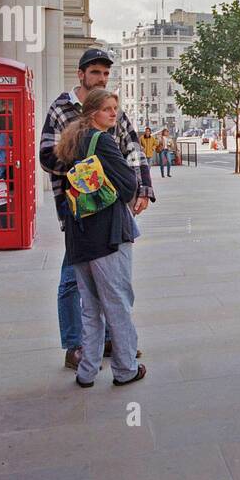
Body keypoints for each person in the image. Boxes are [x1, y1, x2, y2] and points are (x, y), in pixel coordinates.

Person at [40, 47, 153, 371]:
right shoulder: (62, 109)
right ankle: (76, 345)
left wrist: (143, 190)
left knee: (107, 283)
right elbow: (46, 155)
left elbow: (133, 149)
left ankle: (105, 344)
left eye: (105, 74)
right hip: (76, 210)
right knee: (74, 281)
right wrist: (84, 168)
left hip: (108, 212)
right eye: (95, 73)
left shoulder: (111, 109)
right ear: (81, 74)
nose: (101, 78)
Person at [54, 87, 145, 389]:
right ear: (93, 112)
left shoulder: (71, 142)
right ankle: (125, 368)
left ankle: (87, 371)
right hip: (107, 234)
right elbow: (129, 182)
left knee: (90, 307)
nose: (113, 113)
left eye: (115, 108)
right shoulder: (102, 141)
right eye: (107, 108)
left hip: (79, 236)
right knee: (118, 302)